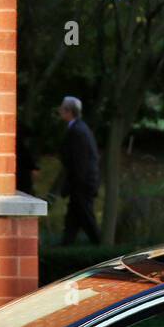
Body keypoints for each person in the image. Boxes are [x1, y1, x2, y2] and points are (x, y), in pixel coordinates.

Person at [55, 96, 102, 244]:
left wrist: (71, 186)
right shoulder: (79, 128)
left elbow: (79, 162)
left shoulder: (77, 131)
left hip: (82, 185)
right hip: (81, 184)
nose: (60, 110)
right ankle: (65, 248)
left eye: (62, 108)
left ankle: (102, 251)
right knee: (72, 221)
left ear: (69, 111)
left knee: (87, 219)